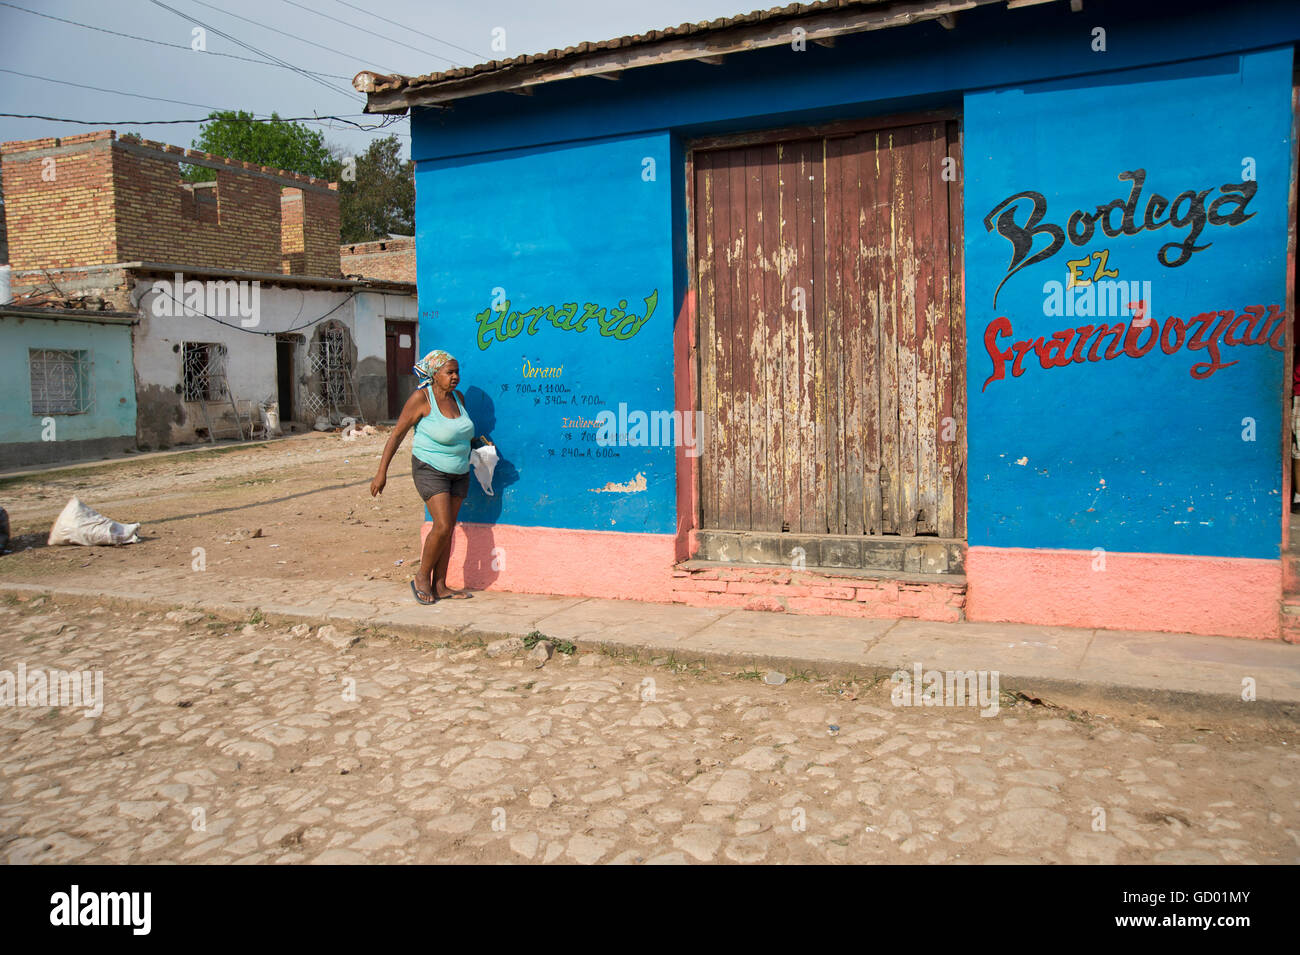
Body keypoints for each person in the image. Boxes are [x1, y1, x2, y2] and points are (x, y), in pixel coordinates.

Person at [370, 349, 490, 603]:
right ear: (435, 374)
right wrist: (382, 472)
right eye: (450, 372)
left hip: (459, 471)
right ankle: (422, 577)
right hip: (430, 469)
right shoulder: (421, 399)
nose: (455, 376)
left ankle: (441, 585)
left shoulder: (458, 398)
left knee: (448, 529)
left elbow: (461, 433)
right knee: (443, 525)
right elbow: (397, 435)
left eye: (457, 372)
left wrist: (479, 446)